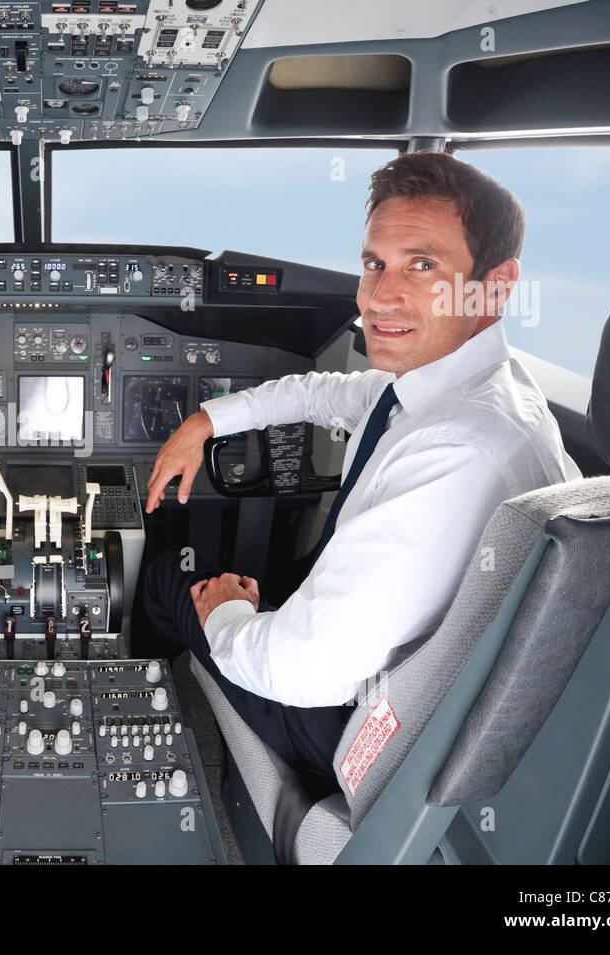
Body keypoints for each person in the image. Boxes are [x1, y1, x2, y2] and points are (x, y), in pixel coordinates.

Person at [138, 150, 581, 796]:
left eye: (421, 265)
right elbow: (322, 394)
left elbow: (304, 668)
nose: (378, 296)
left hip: (354, 727)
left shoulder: (458, 451)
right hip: (386, 672)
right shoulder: (456, 389)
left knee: (166, 582)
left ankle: (147, 725)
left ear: (497, 284)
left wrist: (224, 612)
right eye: (375, 262)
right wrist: (207, 418)